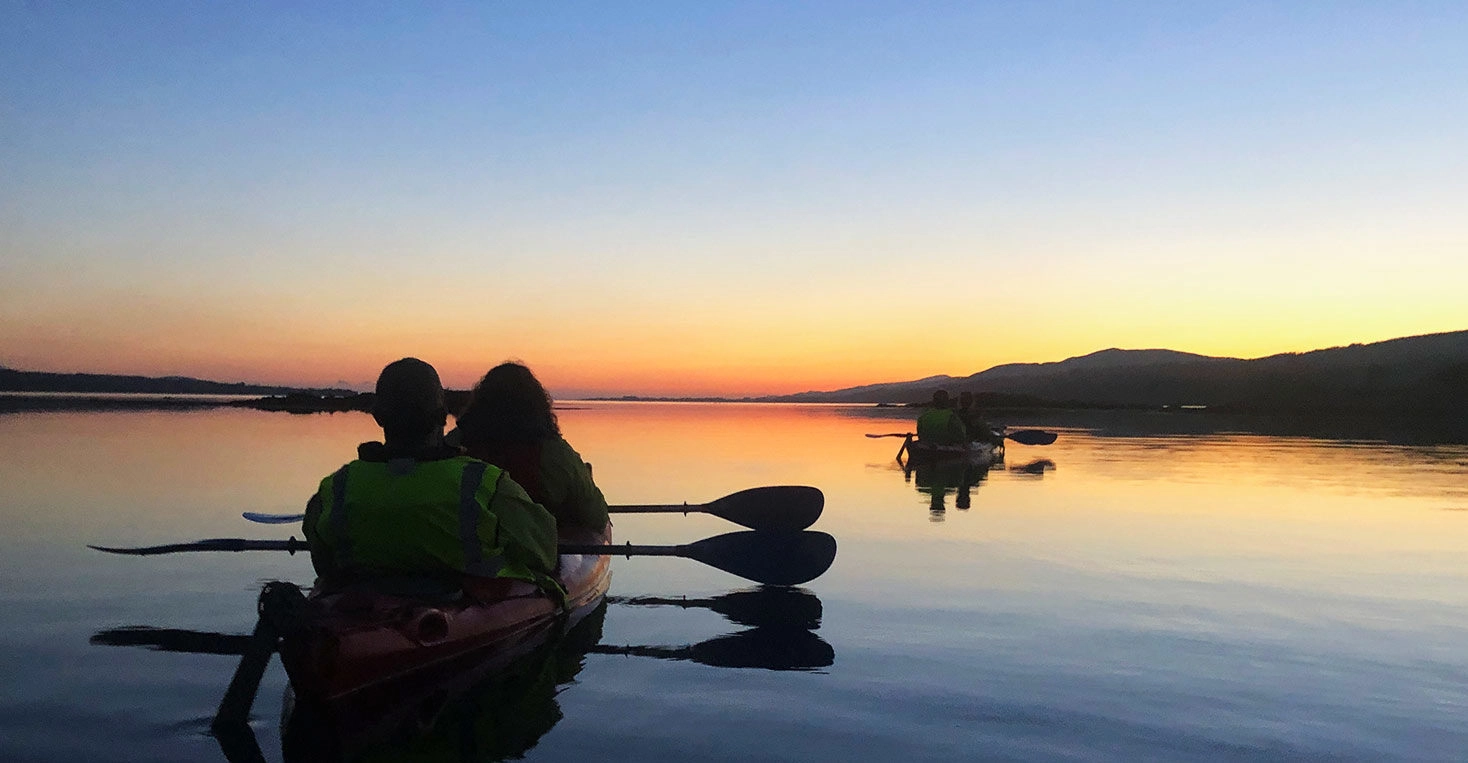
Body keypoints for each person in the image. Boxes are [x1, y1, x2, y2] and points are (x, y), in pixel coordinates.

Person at [301, 358, 560, 594]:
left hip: (358, 612)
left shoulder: (335, 488)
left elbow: (323, 563)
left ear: (378, 416)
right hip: (468, 618)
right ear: (441, 415)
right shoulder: (485, 484)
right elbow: (546, 552)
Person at [451, 362, 610, 533]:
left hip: (472, 544)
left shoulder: (456, 444)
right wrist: (585, 478)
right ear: (538, 405)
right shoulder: (556, 455)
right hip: (534, 550)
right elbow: (597, 517)